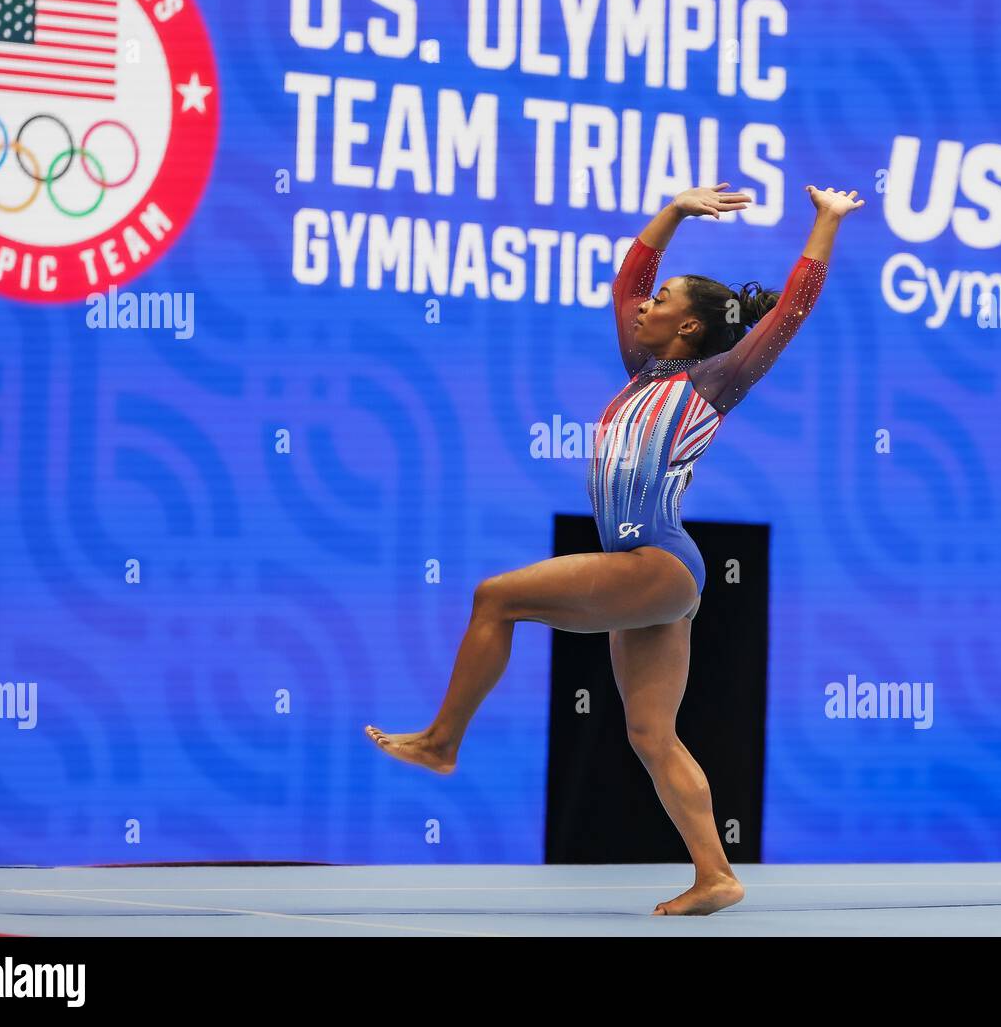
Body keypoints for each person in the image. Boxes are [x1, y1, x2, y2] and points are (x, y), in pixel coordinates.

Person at [367, 182, 865, 915]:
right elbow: (626, 281)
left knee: (494, 596)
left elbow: (787, 314)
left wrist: (824, 221)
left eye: (663, 300)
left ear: (691, 327)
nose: (644, 304)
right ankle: (716, 873)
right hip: (651, 576)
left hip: (657, 560)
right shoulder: (644, 371)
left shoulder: (715, 382)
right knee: (650, 734)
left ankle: (443, 741)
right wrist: (674, 210)